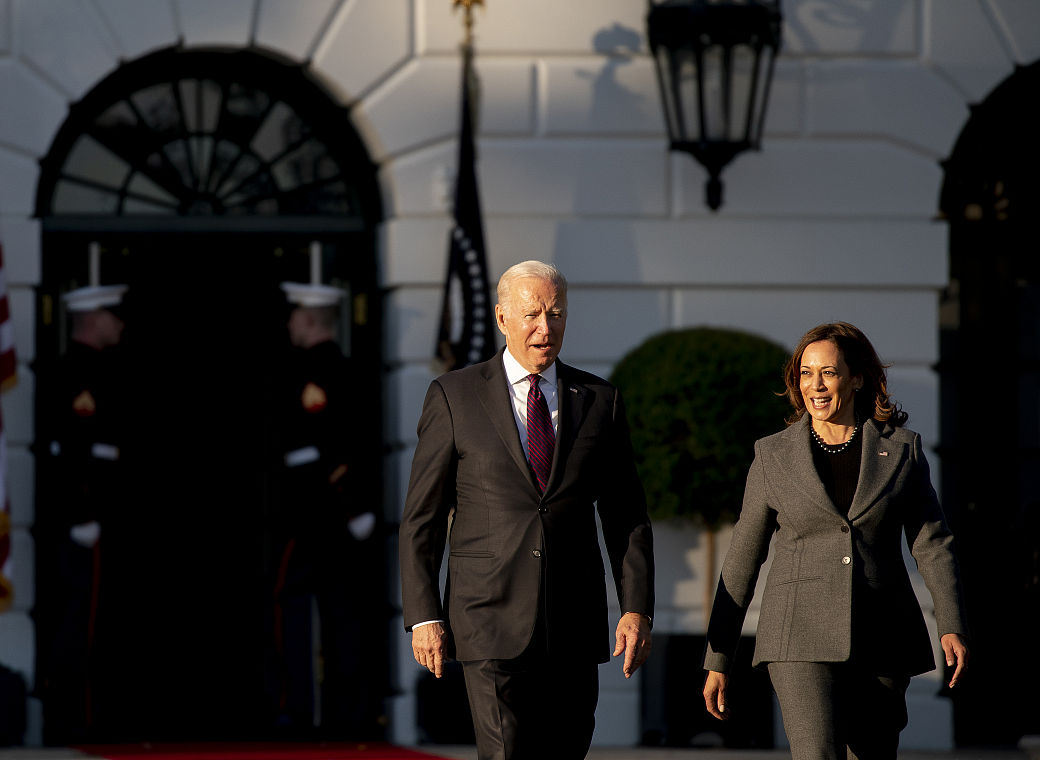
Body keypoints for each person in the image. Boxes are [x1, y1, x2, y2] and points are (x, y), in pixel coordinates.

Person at [400, 260, 655, 760]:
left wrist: (635, 607)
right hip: (487, 617)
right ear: (502, 318)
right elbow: (422, 519)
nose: (545, 327)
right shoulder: (454, 396)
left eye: (556, 314)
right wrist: (424, 615)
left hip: (573, 620)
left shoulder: (599, 400)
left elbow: (626, 515)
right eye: (532, 314)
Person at [702, 321, 970, 759]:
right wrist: (718, 658)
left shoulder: (902, 450)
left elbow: (932, 543)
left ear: (857, 378)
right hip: (797, 635)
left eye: (828, 372)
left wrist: (951, 623)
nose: (816, 385)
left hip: (882, 633)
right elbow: (743, 560)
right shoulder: (772, 456)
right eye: (806, 373)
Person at [268, 280, 379, 738]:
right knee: (343, 611)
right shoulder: (346, 369)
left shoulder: (312, 373)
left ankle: (302, 711)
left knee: (300, 607)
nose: (290, 324)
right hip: (338, 513)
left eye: (296, 316)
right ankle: (343, 713)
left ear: (311, 319)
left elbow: (340, 445)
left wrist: (352, 503)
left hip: (314, 512)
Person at [37, 282, 129, 744]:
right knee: (80, 620)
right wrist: (83, 512)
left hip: (96, 514)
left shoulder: (99, 369)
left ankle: (91, 713)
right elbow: (72, 449)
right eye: (114, 316)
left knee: (93, 617)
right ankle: (75, 719)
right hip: (81, 518)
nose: (121, 324)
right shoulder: (75, 372)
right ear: (94, 320)